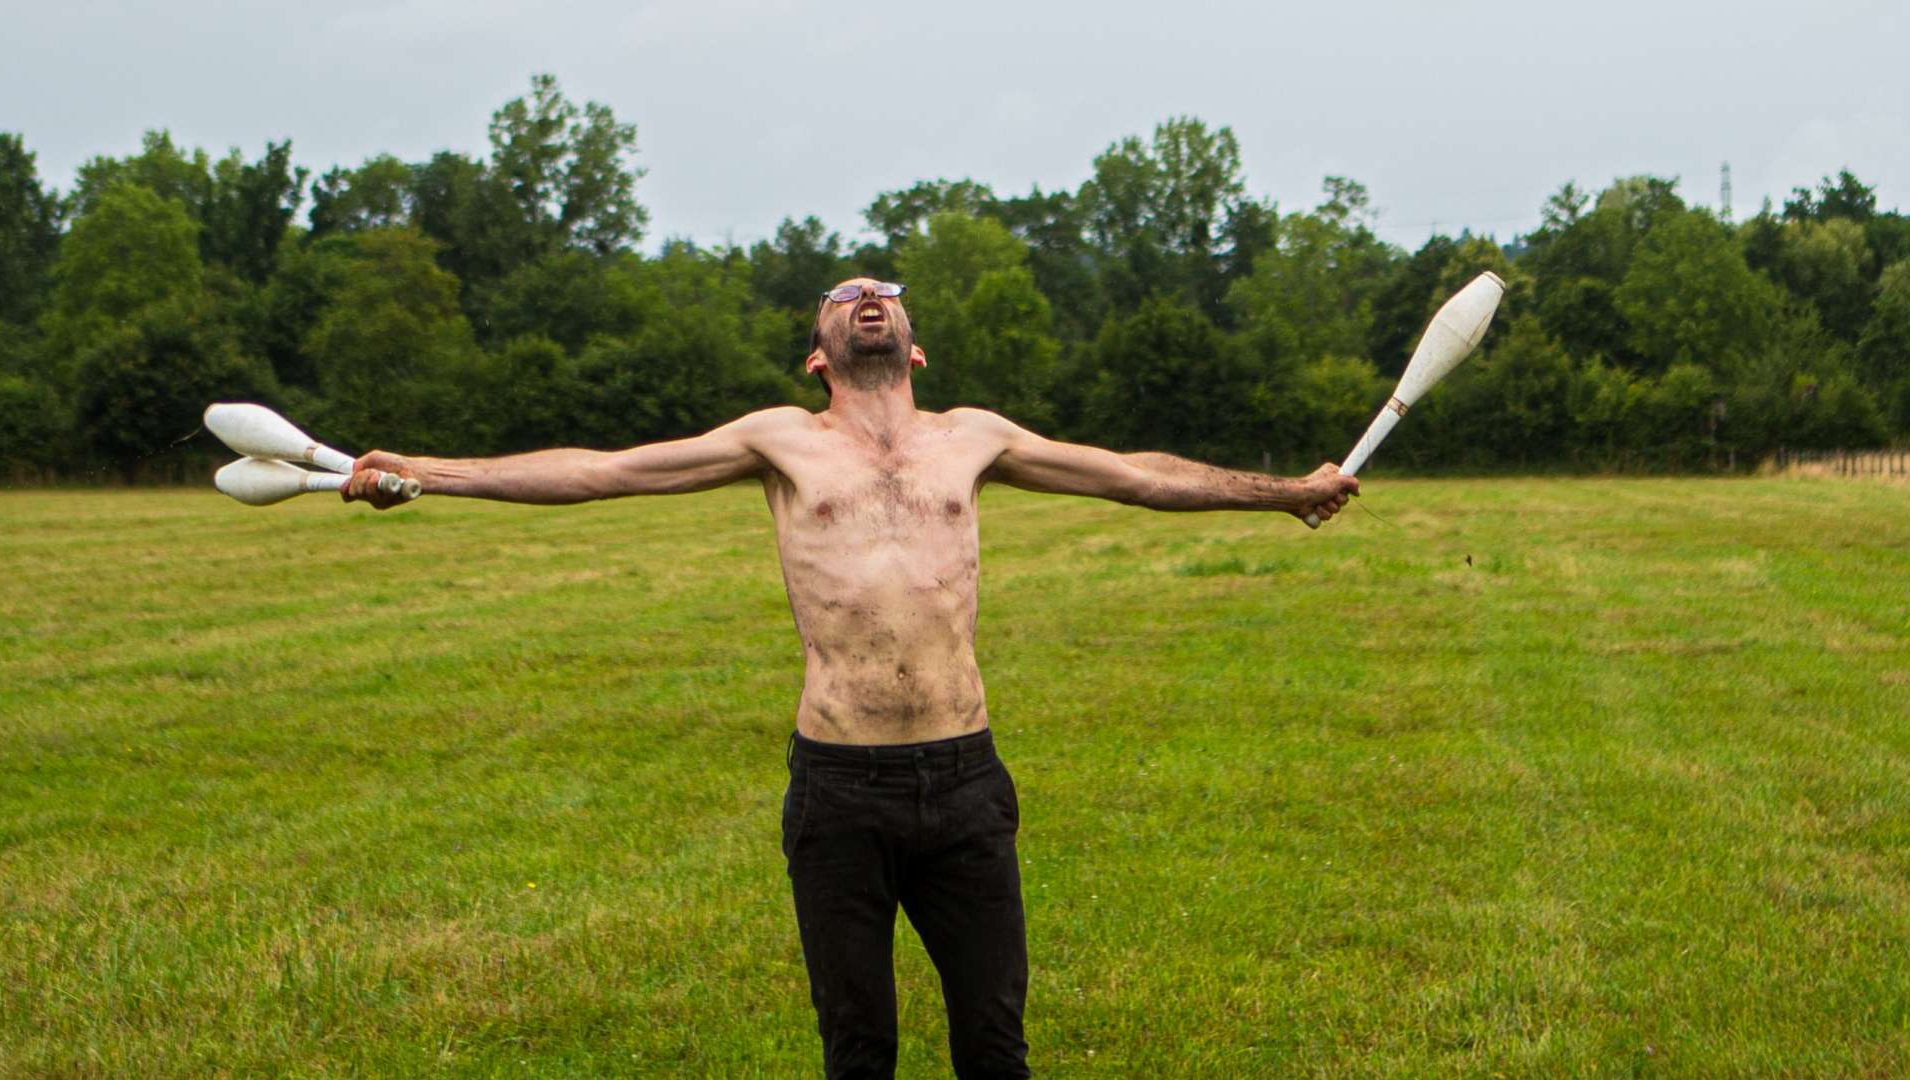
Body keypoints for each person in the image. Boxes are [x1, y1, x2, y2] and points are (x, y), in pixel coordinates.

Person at [344, 277, 1359, 1079]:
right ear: (818, 351)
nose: (865, 295)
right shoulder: (778, 440)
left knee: (996, 1050)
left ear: (913, 344)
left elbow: (1138, 476)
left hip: (964, 779)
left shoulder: (976, 437)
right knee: (859, 1051)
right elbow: (601, 471)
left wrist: (1287, 495)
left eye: (883, 289)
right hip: (840, 785)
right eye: (843, 294)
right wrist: (431, 472)